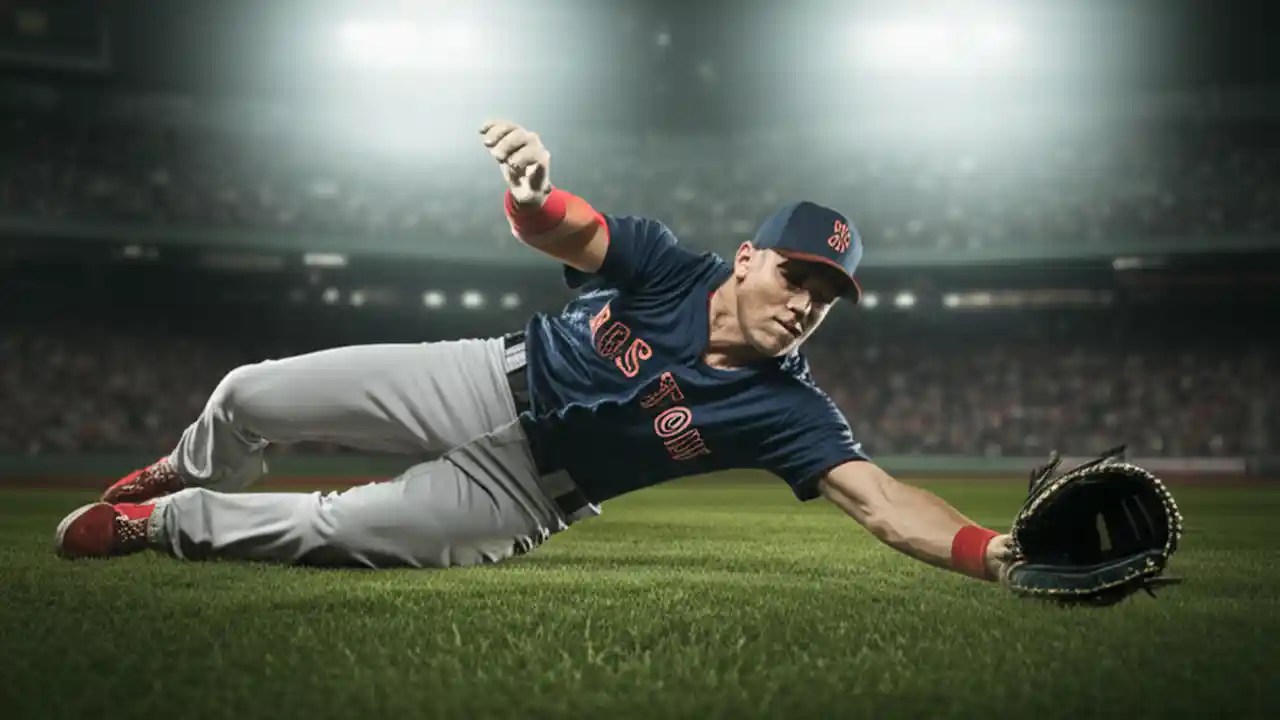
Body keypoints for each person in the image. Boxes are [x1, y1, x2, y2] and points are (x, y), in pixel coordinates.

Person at [55, 120, 1013, 583]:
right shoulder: (674, 269)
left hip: (527, 494)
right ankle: (188, 463)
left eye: (827, 296)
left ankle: (167, 522)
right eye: (797, 277)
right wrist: (530, 192)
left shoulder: (789, 409)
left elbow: (884, 506)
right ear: (751, 257)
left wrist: (996, 553)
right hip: (479, 377)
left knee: (337, 531)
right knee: (249, 391)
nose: (806, 304)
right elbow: (571, 232)